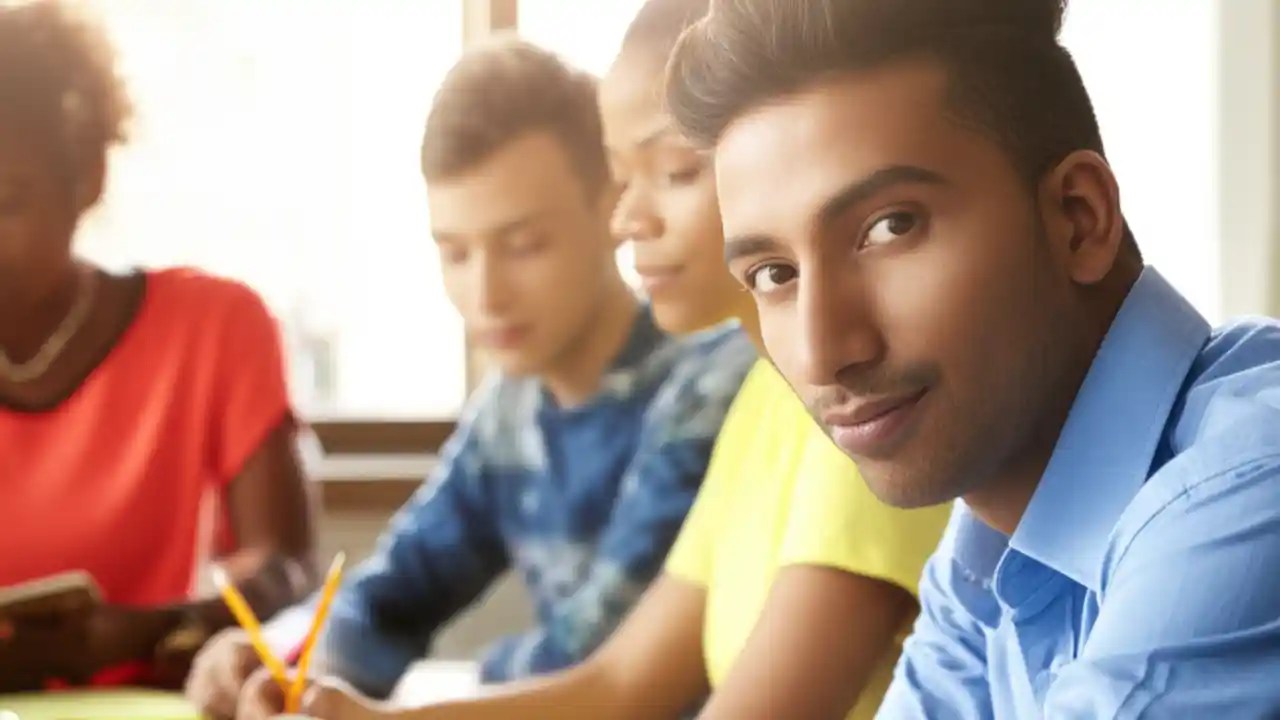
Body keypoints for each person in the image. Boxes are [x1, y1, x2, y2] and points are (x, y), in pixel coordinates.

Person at [236, 2, 951, 718]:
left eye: (673, 170)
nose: (626, 220)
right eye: (453, 252)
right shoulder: (763, 398)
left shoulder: (849, 406)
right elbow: (619, 684)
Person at [660, 0, 1280, 717]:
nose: (824, 351)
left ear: (1080, 219)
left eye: (890, 228)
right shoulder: (990, 543)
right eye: (774, 274)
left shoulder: (1247, 493)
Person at [184, 36, 756, 720]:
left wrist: (458, 680)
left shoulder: (710, 383)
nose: (485, 293)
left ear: (611, 206)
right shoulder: (508, 414)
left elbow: (593, 658)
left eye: (523, 245)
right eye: (454, 252)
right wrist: (280, 657)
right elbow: (393, 590)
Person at [0, 0, 317, 692]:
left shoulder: (213, 327)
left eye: (8, 201)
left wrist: (159, 626)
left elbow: (286, 564)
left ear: (86, 180)